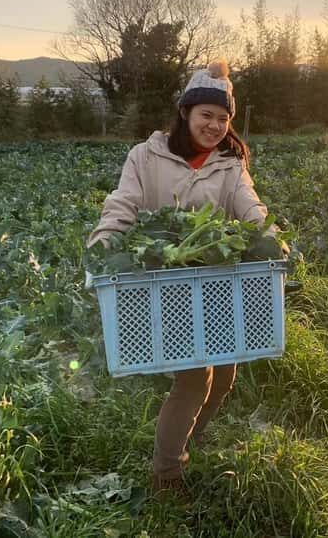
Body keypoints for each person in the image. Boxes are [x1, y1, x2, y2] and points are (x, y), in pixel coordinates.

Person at [86, 59, 269, 493]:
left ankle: (190, 437)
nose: (215, 125)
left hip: (219, 284)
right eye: (207, 114)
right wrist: (104, 241)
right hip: (166, 287)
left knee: (225, 375)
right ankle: (166, 475)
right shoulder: (145, 157)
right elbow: (122, 205)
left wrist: (270, 237)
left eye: (223, 118)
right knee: (194, 376)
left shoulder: (230, 164)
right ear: (185, 112)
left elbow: (251, 207)